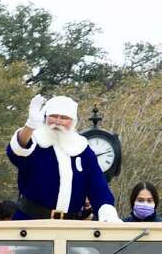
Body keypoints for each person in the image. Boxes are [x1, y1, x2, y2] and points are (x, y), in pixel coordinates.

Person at [7, 94, 119, 222]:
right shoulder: (36, 141)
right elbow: (17, 152)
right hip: (31, 222)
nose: (58, 122)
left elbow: (98, 186)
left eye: (64, 118)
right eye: (53, 116)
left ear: (73, 121)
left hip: (70, 226)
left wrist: (107, 212)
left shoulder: (82, 149)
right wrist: (30, 126)